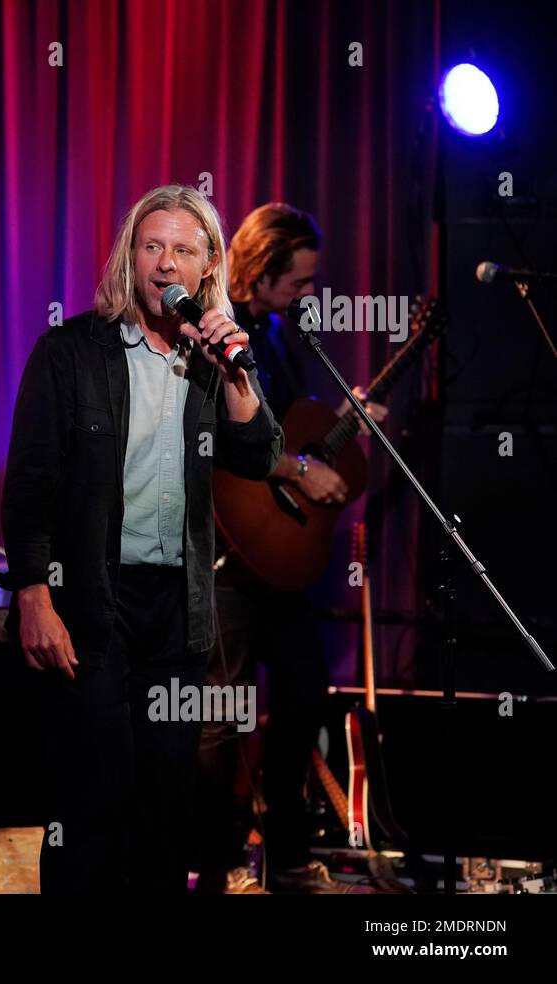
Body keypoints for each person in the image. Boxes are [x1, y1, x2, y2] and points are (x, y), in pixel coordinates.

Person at [1, 184, 283, 894]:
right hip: (91, 605)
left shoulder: (213, 361)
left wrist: (237, 374)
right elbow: (29, 484)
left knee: (165, 805)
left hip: (175, 615)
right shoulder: (71, 352)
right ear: (130, 258)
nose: (164, 263)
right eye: (150, 246)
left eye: (182, 250)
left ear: (207, 266)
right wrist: (34, 597)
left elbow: (259, 456)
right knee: (92, 804)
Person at [195, 202, 387, 894]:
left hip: (279, 561)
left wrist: (340, 428)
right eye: (299, 282)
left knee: (303, 691)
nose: (308, 294)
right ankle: (213, 863)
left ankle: (285, 854)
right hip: (223, 556)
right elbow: (220, 434)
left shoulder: (277, 336)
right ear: (262, 269)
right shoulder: (214, 331)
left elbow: (286, 431)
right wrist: (301, 468)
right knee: (221, 715)